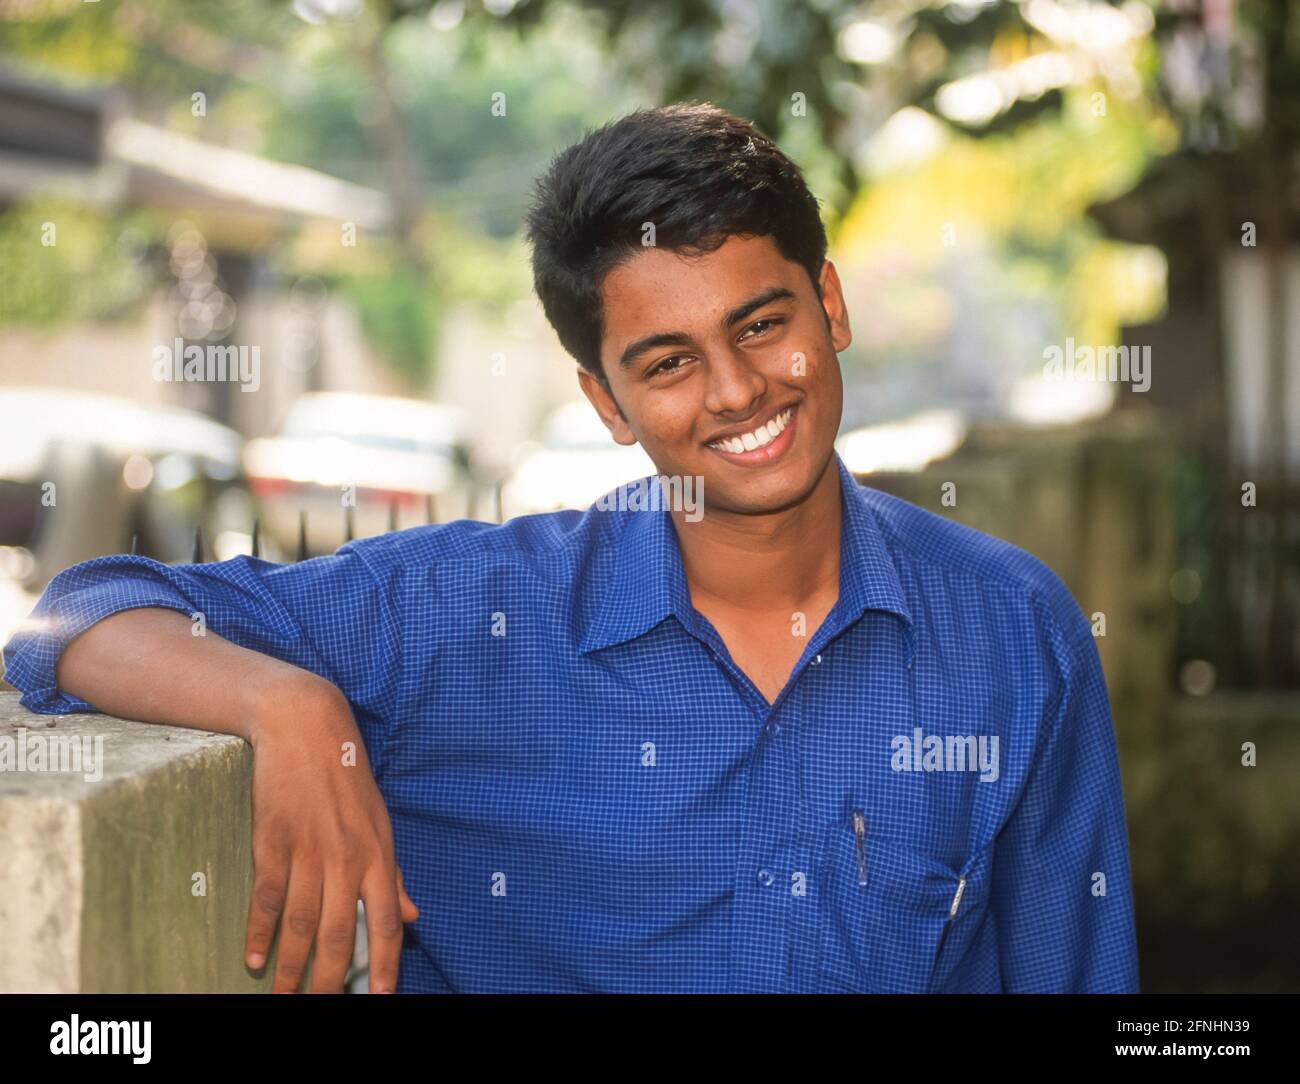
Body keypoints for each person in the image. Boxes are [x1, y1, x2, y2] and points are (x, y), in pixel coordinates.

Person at [2, 102, 1138, 994]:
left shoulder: (1012, 629)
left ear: (827, 305)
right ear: (605, 402)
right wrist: (286, 706)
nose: (738, 389)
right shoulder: (468, 618)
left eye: (761, 324)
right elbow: (75, 616)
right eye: (667, 361)